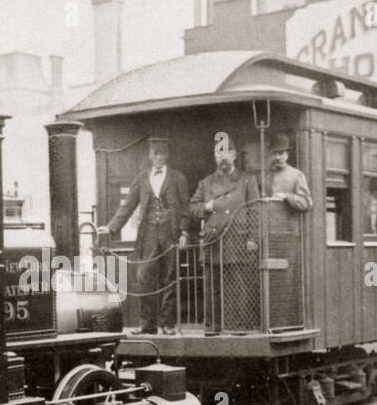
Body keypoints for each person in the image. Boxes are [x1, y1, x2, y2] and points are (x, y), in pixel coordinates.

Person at [97, 135, 189, 334]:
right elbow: (128, 204)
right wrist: (111, 227)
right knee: (144, 277)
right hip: (148, 234)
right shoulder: (141, 178)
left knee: (170, 277)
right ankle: (148, 325)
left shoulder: (177, 177)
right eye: (155, 154)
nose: (159, 157)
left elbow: (185, 208)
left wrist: (184, 232)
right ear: (150, 155)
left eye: (162, 154)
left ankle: (168, 324)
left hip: (170, 232)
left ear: (168, 156)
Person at [190, 138, 260, 333]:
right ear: (215, 157)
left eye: (227, 153)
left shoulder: (247, 180)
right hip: (213, 241)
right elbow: (192, 209)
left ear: (234, 155)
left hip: (237, 239)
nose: (223, 158)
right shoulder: (205, 183)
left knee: (237, 287)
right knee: (211, 288)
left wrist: (253, 238)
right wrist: (207, 206)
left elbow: (255, 210)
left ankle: (237, 326)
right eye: (219, 153)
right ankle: (212, 326)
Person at [266, 133, 312, 212]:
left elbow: (307, 203)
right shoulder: (265, 175)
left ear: (287, 154)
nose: (277, 157)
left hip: (287, 223)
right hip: (267, 222)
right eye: (274, 153)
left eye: (280, 153)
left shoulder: (296, 175)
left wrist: (286, 197)